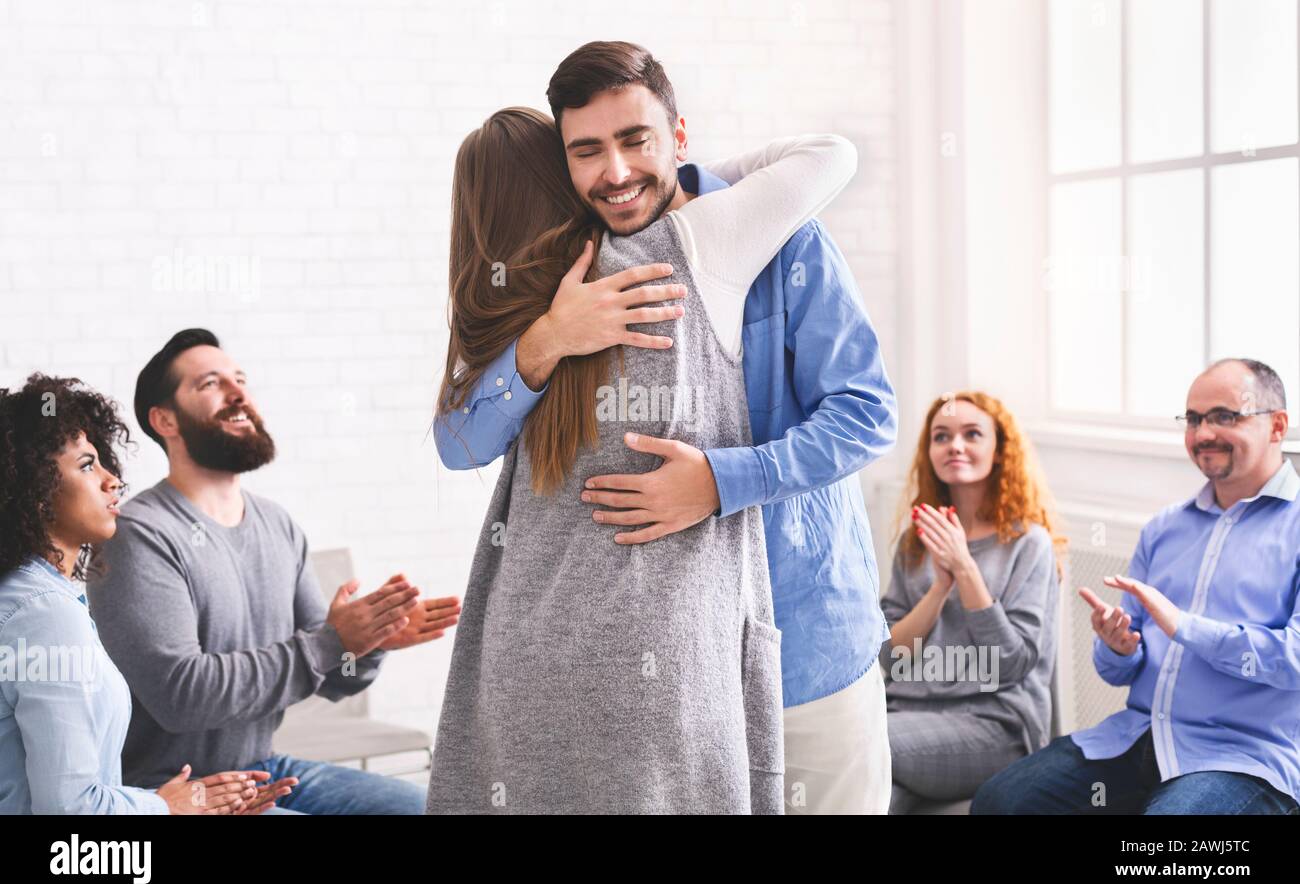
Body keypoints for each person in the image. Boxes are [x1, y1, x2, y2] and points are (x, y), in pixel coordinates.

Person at [434, 40, 898, 815]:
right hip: (686, 661)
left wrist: (719, 482)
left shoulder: (784, 241)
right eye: (587, 152)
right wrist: (549, 338)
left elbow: (865, 414)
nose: (614, 173)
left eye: (636, 141)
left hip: (806, 632)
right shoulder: (573, 281)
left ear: (679, 136)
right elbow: (461, 442)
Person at [86, 330, 461, 815]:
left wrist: (368, 643)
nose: (238, 392)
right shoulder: (138, 535)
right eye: (210, 384)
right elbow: (182, 696)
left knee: (427, 808)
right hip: (174, 790)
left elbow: (333, 679)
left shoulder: (277, 525)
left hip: (262, 767)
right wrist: (333, 641)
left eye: (240, 379)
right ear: (165, 420)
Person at [973, 358, 1300, 815]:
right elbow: (1116, 673)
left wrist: (1185, 626)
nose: (1204, 433)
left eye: (1225, 416)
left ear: (1277, 425)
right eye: (1194, 419)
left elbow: (1294, 660)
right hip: (1139, 733)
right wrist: (1119, 647)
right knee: (1000, 803)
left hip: (1242, 756)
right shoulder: (1165, 529)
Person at [0, 373, 290, 814]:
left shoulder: (31, 597)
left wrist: (175, 803)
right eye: (86, 465)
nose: (111, 480)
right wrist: (168, 808)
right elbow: (69, 812)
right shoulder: (45, 614)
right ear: (35, 490)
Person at [879, 392, 1065, 814]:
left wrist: (965, 569)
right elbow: (891, 658)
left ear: (999, 451)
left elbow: (1009, 664)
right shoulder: (917, 541)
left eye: (972, 434)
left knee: (861, 741)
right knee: (870, 797)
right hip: (910, 713)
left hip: (996, 725)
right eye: (941, 436)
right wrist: (939, 586)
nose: (955, 445)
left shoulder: (1028, 544)